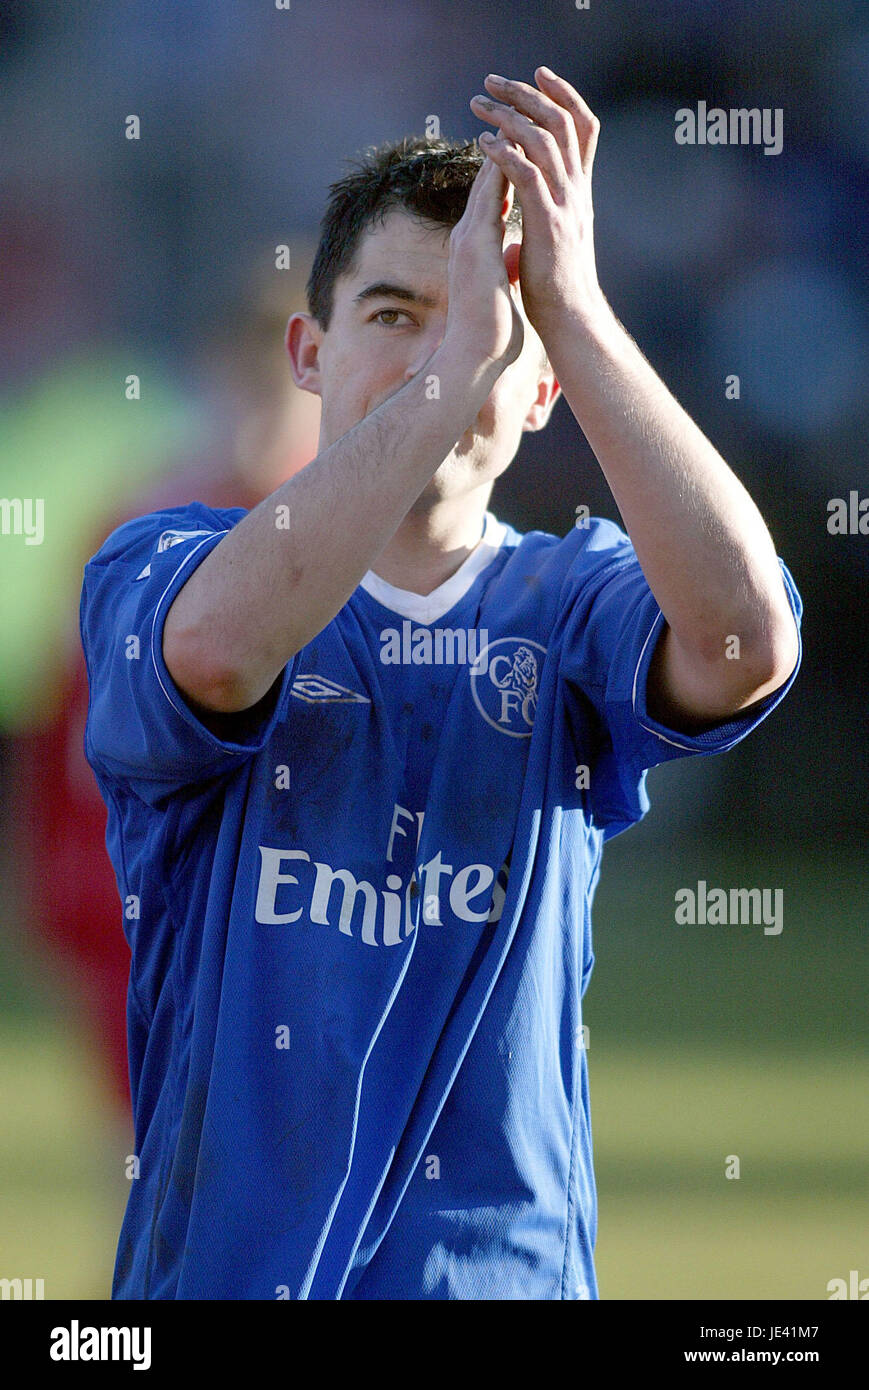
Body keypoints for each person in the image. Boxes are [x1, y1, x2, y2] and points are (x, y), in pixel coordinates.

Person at [80, 68, 802, 1300]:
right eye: (396, 314)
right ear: (308, 352)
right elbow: (210, 655)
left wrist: (570, 308)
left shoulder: (575, 600)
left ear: (543, 388)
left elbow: (743, 644)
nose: (446, 353)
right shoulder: (170, 565)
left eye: (484, 329)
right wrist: (457, 359)